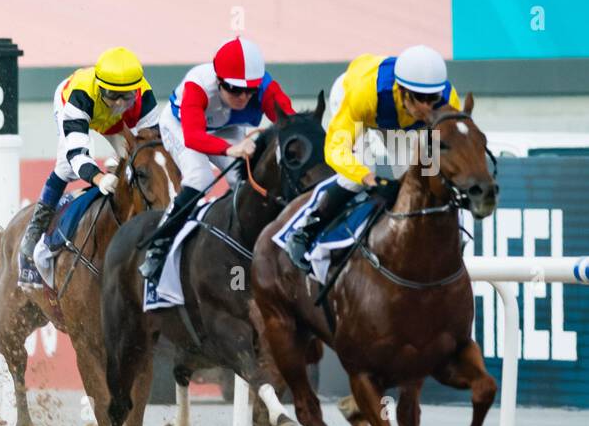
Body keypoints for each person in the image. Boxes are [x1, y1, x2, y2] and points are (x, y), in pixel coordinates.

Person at [286, 44, 461, 269]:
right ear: (403, 91)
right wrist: (369, 178)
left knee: (418, 176)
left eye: (433, 98)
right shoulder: (363, 94)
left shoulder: (448, 100)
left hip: (400, 122)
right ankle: (305, 231)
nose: (428, 107)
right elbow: (336, 150)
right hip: (361, 103)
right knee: (355, 175)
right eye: (421, 98)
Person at [139, 37, 296, 279]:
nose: (243, 97)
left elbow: (291, 121)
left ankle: (240, 238)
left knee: (244, 180)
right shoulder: (198, 85)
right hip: (182, 127)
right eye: (234, 89)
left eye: (250, 90)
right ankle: (158, 245)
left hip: (226, 127)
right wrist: (228, 150)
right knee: (199, 178)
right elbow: (193, 137)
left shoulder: (266, 87)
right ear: (219, 80)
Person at [19, 47, 160, 263]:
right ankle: (36, 226)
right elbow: (77, 154)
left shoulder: (144, 97)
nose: (120, 104)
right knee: (67, 166)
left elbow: (152, 146)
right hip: (74, 105)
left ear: (137, 90)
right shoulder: (80, 95)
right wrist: (99, 178)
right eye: (113, 95)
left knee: (138, 158)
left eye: (127, 97)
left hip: (110, 120)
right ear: (101, 88)